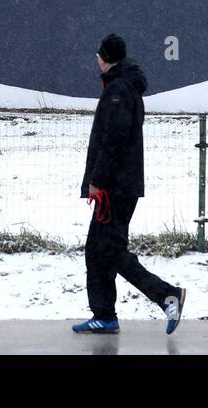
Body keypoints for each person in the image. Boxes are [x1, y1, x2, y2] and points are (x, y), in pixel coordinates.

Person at [74, 33, 186, 335]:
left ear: (105, 58)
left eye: (99, 55)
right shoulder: (122, 86)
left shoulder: (118, 91)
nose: (96, 59)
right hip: (119, 184)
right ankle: (104, 316)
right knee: (97, 249)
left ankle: (166, 296)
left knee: (109, 250)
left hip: (115, 187)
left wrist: (97, 181)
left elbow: (112, 141)